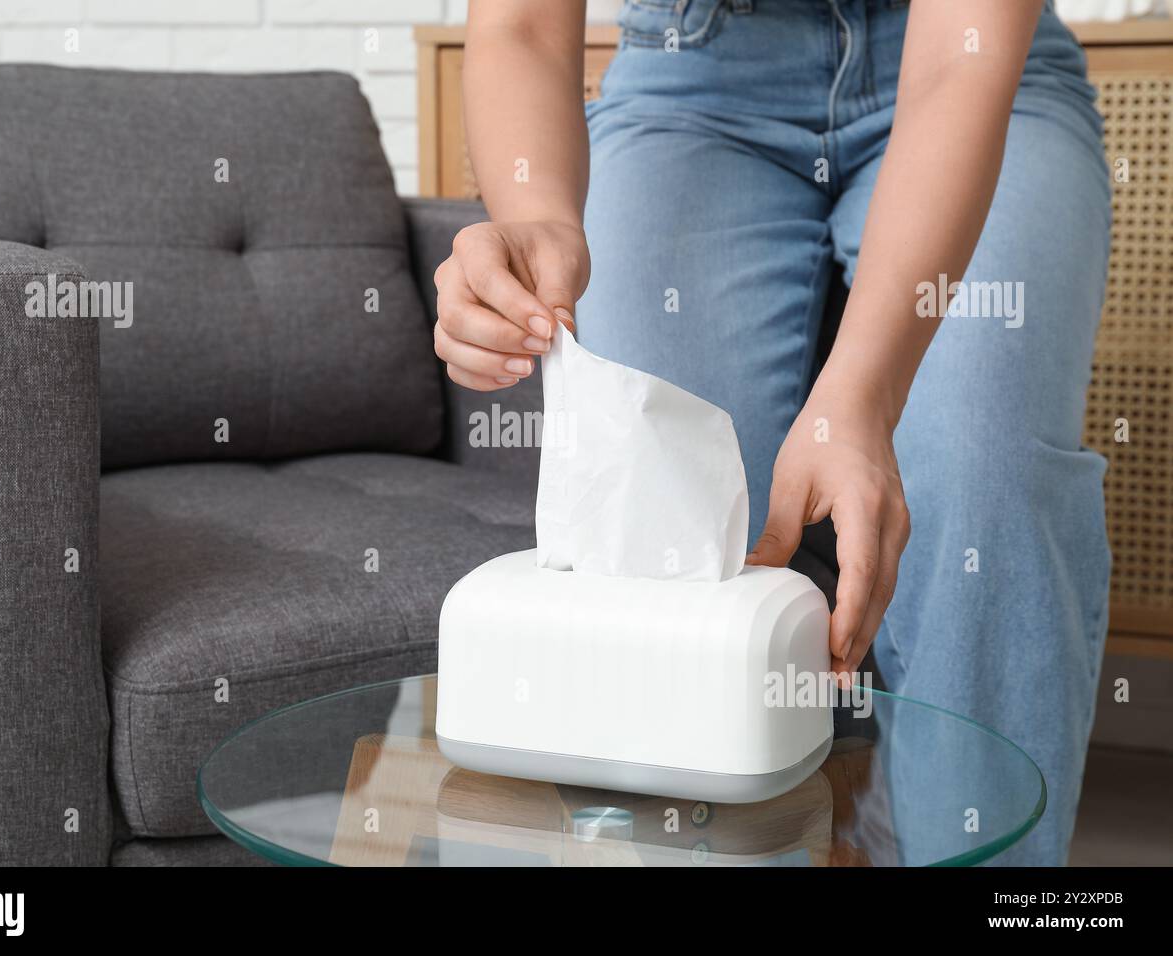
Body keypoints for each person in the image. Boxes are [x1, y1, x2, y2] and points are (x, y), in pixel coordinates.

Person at [432, 0, 1111, 865]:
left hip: (971, 62)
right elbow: (521, 26)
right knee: (655, 505)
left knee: (985, 473)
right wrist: (540, 221)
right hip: (691, 80)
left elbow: (958, 56)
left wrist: (860, 398)